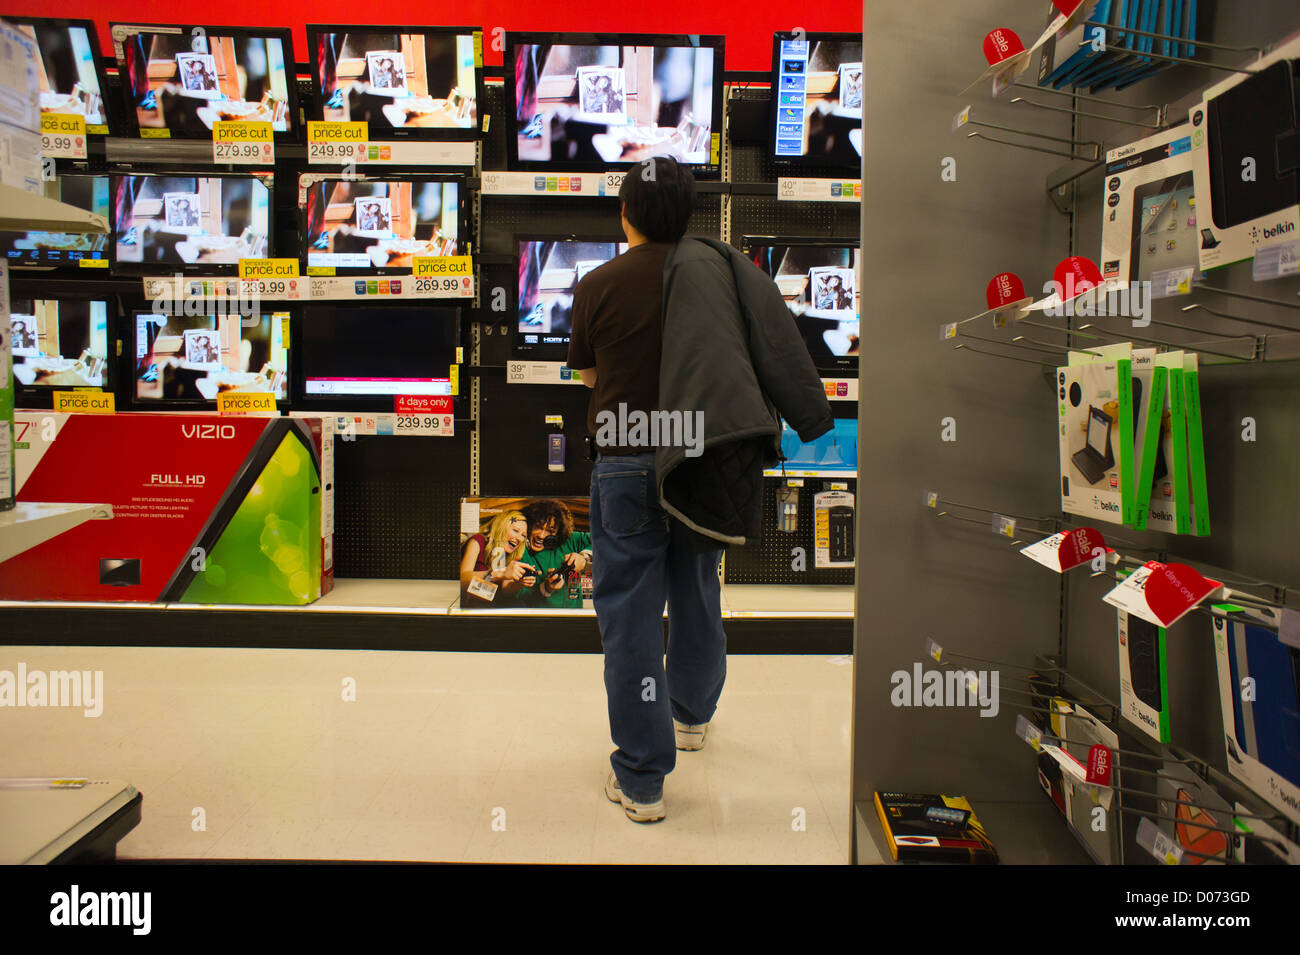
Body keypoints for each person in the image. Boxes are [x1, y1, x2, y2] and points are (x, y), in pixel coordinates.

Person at [570, 155, 832, 823]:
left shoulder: (598, 283)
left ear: (624, 212)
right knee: (696, 587)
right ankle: (691, 714)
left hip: (626, 457)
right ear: (689, 215)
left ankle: (642, 780)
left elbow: (588, 378)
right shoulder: (716, 272)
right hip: (698, 454)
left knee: (629, 613)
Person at [515, 499, 591, 609]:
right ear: (530, 525)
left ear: (558, 533)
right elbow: (519, 596)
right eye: (538, 527)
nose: (541, 535)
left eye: (550, 531)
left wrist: (584, 557)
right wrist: (545, 588)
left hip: (574, 616)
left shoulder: (570, 540)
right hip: (540, 619)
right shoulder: (520, 551)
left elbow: (603, 539)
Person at [458, 510, 536, 607]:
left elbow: (505, 591)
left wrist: (520, 583)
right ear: (501, 527)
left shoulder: (509, 555)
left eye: (523, 535)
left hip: (492, 607)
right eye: (515, 531)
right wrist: (499, 573)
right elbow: (461, 580)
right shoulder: (478, 541)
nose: (520, 538)